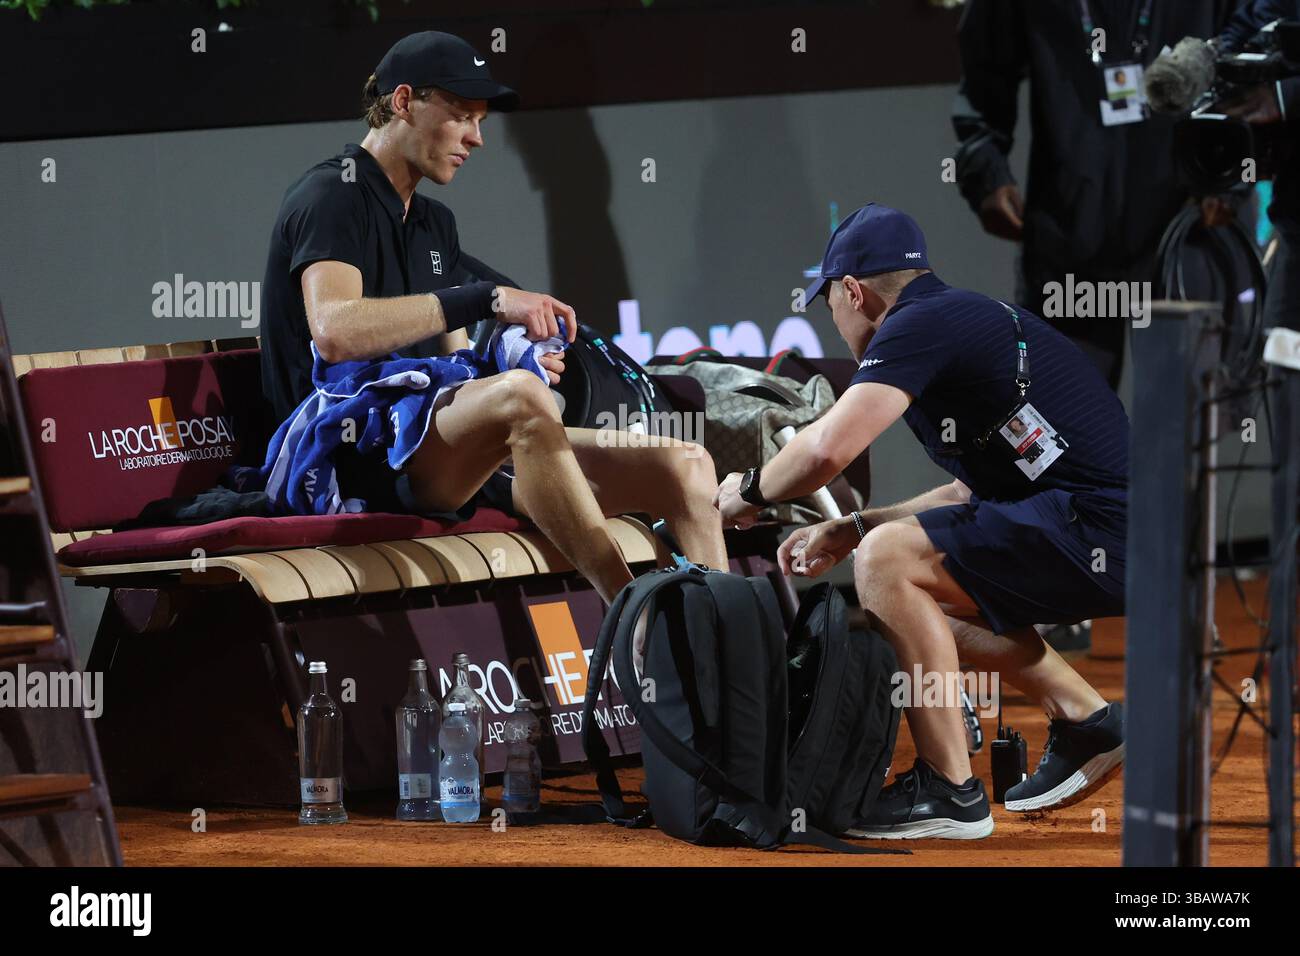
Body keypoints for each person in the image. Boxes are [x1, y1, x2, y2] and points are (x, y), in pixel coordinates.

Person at [258, 31, 727, 603]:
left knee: (687, 465)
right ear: (403, 102)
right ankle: (628, 609)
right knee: (519, 400)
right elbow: (335, 332)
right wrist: (485, 299)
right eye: (460, 116)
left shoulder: (432, 223)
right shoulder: (333, 194)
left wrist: (523, 347)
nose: (477, 139)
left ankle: (723, 654)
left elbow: (463, 352)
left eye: (480, 121)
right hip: (351, 457)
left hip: (439, 450)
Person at [716, 204, 1128, 839]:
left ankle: (950, 790)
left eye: (830, 302)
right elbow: (966, 494)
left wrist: (748, 491)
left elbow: (827, 450)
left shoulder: (916, 325)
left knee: (888, 563)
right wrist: (849, 528)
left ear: (853, 291)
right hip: (1105, 528)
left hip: (1101, 528)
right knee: (903, 590)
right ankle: (1085, 720)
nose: (834, 317)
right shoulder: (958, 318)